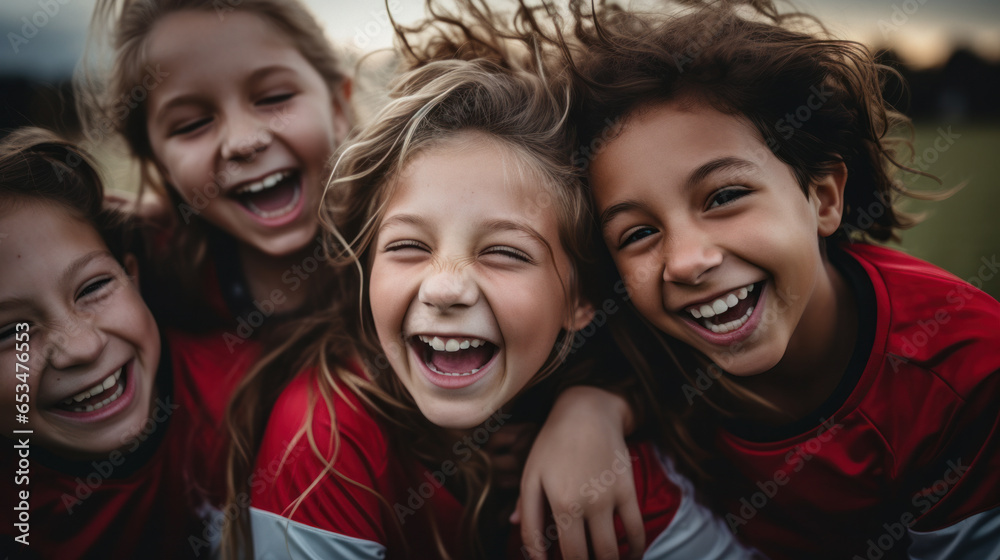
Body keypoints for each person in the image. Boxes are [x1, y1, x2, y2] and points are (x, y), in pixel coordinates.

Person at [224, 6, 760, 559]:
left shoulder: (609, 472)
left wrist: (601, 407)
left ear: (580, 299)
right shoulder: (321, 441)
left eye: (504, 253)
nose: (444, 289)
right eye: (408, 247)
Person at [517, 1, 1000, 559]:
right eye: (638, 233)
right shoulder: (635, 338)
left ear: (823, 197)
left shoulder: (967, 370)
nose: (687, 261)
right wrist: (589, 406)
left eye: (724, 196)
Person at [0, 128, 256, 559]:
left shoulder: (251, 394)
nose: (81, 347)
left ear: (133, 277)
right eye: (11, 332)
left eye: (94, 287)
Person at [78, 0, 352, 331]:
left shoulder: (405, 248)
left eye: (274, 98)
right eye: (192, 124)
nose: (243, 141)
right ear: (162, 167)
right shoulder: (143, 294)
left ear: (337, 108)